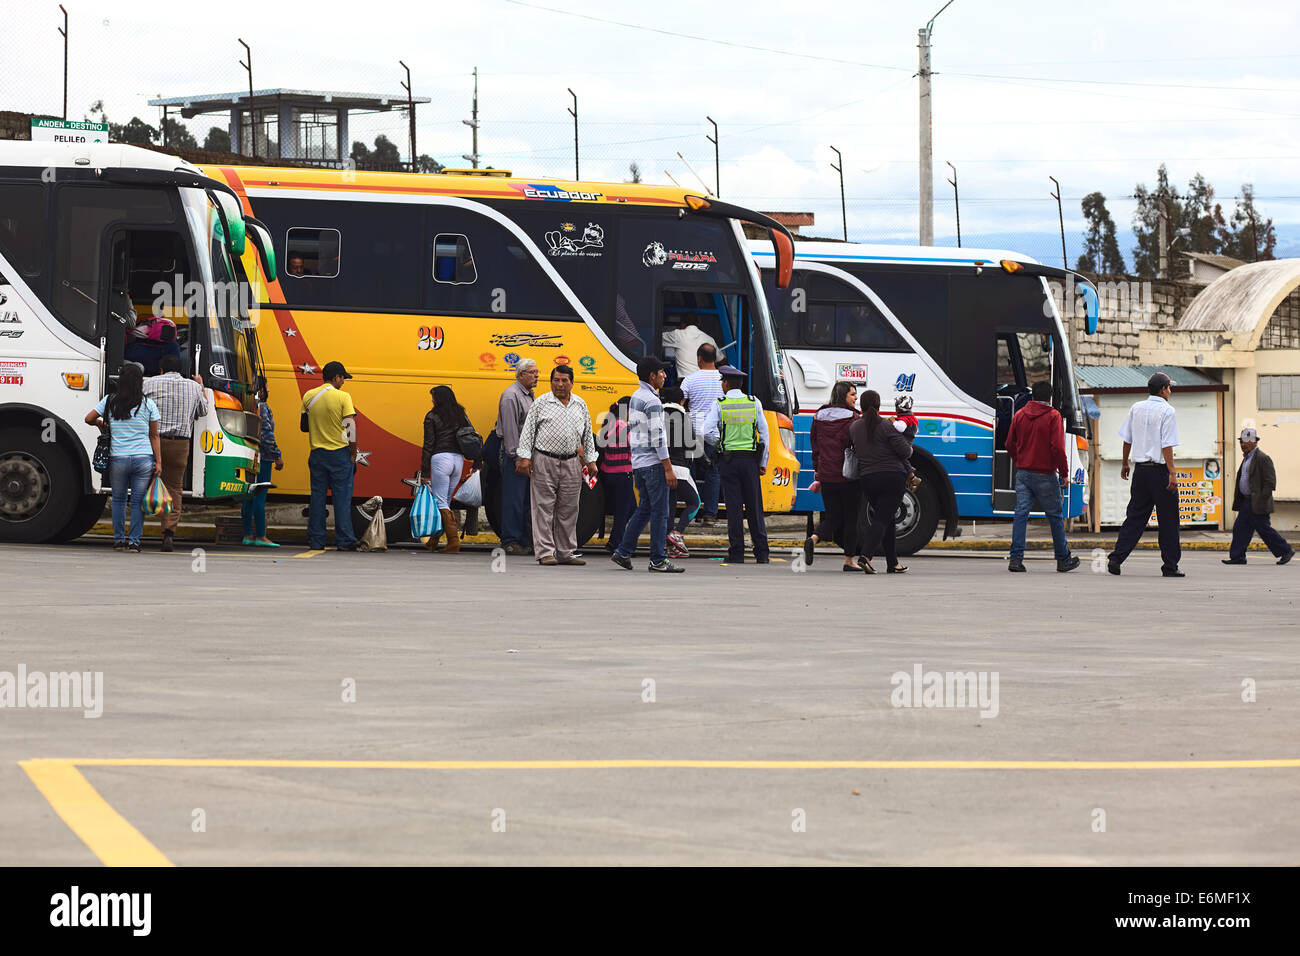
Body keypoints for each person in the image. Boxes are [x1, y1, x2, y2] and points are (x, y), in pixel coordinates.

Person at [516, 364, 597, 566]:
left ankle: (566, 552)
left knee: (569, 509)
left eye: (564, 380)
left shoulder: (580, 404)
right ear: (551, 382)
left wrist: (591, 459)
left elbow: (587, 435)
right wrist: (524, 458)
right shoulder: (541, 403)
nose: (559, 384)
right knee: (543, 508)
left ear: (572, 383)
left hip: (572, 462)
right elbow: (527, 433)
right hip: (544, 460)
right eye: (556, 380)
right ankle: (545, 552)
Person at [611, 358, 684, 573]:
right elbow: (658, 435)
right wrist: (668, 467)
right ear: (652, 376)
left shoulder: (636, 396)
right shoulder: (651, 401)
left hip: (639, 463)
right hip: (653, 463)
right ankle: (658, 560)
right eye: (661, 372)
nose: (664, 376)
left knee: (644, 509)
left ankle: (623, 552)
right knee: (660, 512)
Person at [1107, 371, 1183, 577]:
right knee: (1168, 520)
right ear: (1163, 389)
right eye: (1169, 387)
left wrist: (1124, 462)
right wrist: (1172, 473)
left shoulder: (1136, 408)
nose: (1170, 391)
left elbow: (1127, 439)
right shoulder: (1168, 411)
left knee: (1135, 517)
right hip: (1159, 471)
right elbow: (1167, 445)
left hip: (1140, 471)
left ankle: (1116, 558)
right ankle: (1170, 566)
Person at [84, 362, 160, 553]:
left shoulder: (110, 401)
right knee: (137, 501)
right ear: (139, 382)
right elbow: (154, 435)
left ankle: (119, 540)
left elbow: (88, 418)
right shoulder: (148, 404)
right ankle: (134, 542)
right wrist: (159, 461)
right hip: (143, 458)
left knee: (118, 500)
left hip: (118, 457)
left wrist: (102, 424)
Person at [1004, 380, 1080, 573]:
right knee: (1054, 516)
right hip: (1045, 474)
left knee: (1021, 514)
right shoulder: (1053, 416)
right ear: (1050, 397)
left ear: (1033, 396)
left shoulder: (1020, 415)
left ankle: (1015, 559)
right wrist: (1064, 473)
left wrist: (1020, 459)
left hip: (1023, 473)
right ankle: (1063, 559)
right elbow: (1057, 447)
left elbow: (1009, 444)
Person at [701, 365, 770, 564]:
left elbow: (706, 431)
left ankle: (737, 552)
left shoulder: (720, 403)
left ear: (726, 383)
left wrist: (720, 443)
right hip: (750, 461)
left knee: (734, 508)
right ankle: (762, 553)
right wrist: (763, 461)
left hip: (728, 461)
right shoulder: (753, 402)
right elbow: (764, 434)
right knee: (755, 507)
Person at [143, 353, 208, 553]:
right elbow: (203, 411)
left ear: (161, 369)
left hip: (151, 442)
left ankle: (134, 534)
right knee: (174, 489)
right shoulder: (194, 387)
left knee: (141, 485)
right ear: (181, 370)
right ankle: (168, 534)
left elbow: (138, 410)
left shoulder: (148, 383)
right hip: (180, 445)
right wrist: (202, 386)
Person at [850, 389, 912, 574]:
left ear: (861, 405)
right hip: (892, 477)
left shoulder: (854, 427)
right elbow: (905, 451)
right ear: (878, 406)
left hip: (868, 479)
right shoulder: (886, 425)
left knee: (887, 518)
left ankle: (892, 563)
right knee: (882, 518)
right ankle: (865, 556)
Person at [803, 382, 863, 572]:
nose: (856, 398)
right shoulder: (854, 419)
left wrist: (817, 470)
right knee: (851, 519)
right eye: (853, 394)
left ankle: (813, 538)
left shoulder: (819, 416)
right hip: (848, 476)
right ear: (843, 396)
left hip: (826, 475)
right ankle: (849, 560)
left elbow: (815, 446)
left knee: (833, 517)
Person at [302, 361, 359, 552]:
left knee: (317, 498)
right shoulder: (343, 397)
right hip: (339, 455)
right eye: (343, 378)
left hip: (317, 453)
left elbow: (303, 426)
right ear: (336, 377)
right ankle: (345, 541)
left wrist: (321, 426)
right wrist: (353, 452)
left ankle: (316, 541)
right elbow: (350, 426)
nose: (343, 382)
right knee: (342, 499)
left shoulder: (309, 395)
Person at [1222, 427, 1295, 566]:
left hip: (1257, 502)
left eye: (1246, 442)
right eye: (1242, 442)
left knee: (1264, 530)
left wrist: (1261, 499)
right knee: (1240, 528)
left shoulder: (1263, 458)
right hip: (1246, 501)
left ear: (1254, 442)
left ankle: (1286, 551)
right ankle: (1238, 556)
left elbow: (1270, 482)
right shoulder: (1247, 459)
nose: (1243, 445)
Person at [421, 384, 474, 554]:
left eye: (433, 397)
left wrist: (424, 472)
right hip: (458, 460)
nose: (432, 400)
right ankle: (433, 541)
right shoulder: (460, 414)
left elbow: (428, 445)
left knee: (440, 501)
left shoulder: (432, 416)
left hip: (440, 459)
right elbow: (472, 435)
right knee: (445, 501)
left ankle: (453, 542)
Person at [495, 358, 538, 556]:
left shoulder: (529, 395)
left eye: (536, 372)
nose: (536, 375)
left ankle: (522, 539)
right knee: (514, 499)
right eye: (532, 372)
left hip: (527, 455)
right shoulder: (511, 396)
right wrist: (517, 457)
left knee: (525, 501)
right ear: (520, 375)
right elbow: (511, 431)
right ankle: (510, 540)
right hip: (516, 457)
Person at [680, 343, 724, 528]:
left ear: (699, 358)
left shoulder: (690, 380)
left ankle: (693, 510)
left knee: (691, 472)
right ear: (715, 358)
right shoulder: (725, 380)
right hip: (715, 433)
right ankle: (710, 514)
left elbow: (680, 404)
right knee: (713, 473)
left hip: (694, 433)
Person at [241, 377, 283, 547]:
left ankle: (247, 535)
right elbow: (266, 434)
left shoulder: (246, 405)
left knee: (248, 496)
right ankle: (261, 536)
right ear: (261, 390)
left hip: (248, 455)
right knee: (260, 497)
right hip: (263, 458)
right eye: (267, 387)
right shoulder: (262, 408)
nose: (269, 390)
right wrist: (277, 455)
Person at [661, 386, 702, 559]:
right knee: (695, 503)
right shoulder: (684, 418)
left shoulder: (659, 416)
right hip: (680, 470)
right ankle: (677, 533)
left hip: (663, 469)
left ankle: (669, 545)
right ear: (682, 401)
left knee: (670, 506)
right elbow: (692, 446)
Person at [598, 396, 634, 556]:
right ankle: (615, 543)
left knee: (634, 510)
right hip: (622, 473)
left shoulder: (609, 423)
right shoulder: (623, 426)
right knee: (623, 512)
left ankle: (622, 542)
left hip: (609, 473)